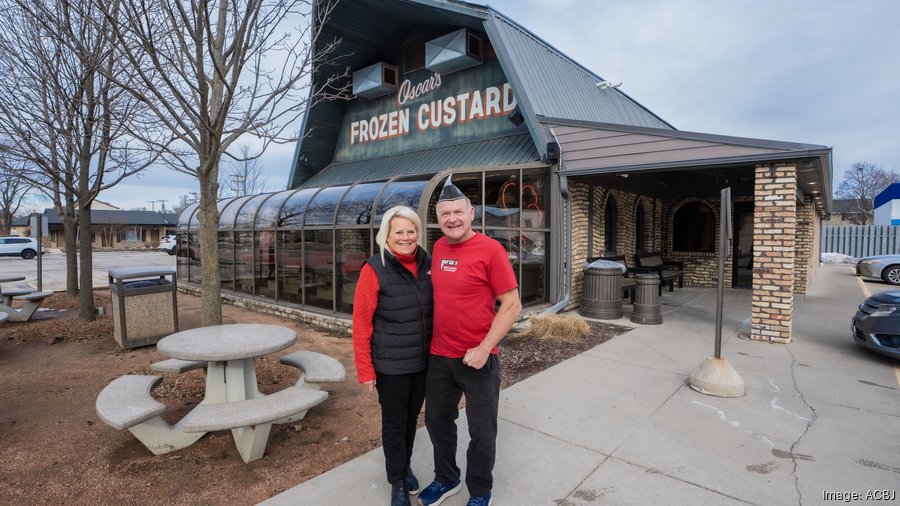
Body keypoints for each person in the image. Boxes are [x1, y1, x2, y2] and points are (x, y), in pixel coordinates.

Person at [418, 176, 522, 506]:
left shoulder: (491, 250)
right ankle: (447, 478)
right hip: (440, 356)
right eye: (445, 213)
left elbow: (512, 304)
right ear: (438, 218)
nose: (452, 219)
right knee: (436, 420)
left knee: (481, 430)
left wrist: (483, 348)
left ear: (471, 213)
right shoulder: (438, 248)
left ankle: (480, 490)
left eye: (458, 212)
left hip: (479, 358)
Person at [352, 205, 433, 506]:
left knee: (411, 420)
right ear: (386, 235)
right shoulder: (374, 269)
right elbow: (361, 323)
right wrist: (365, 369)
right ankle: (397, 481)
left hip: (422, 361)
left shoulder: (428, 263)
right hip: (391, 364)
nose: (406, 237)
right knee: (395, 423)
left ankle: (405, 465)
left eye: (411, 231)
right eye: (399, 231)